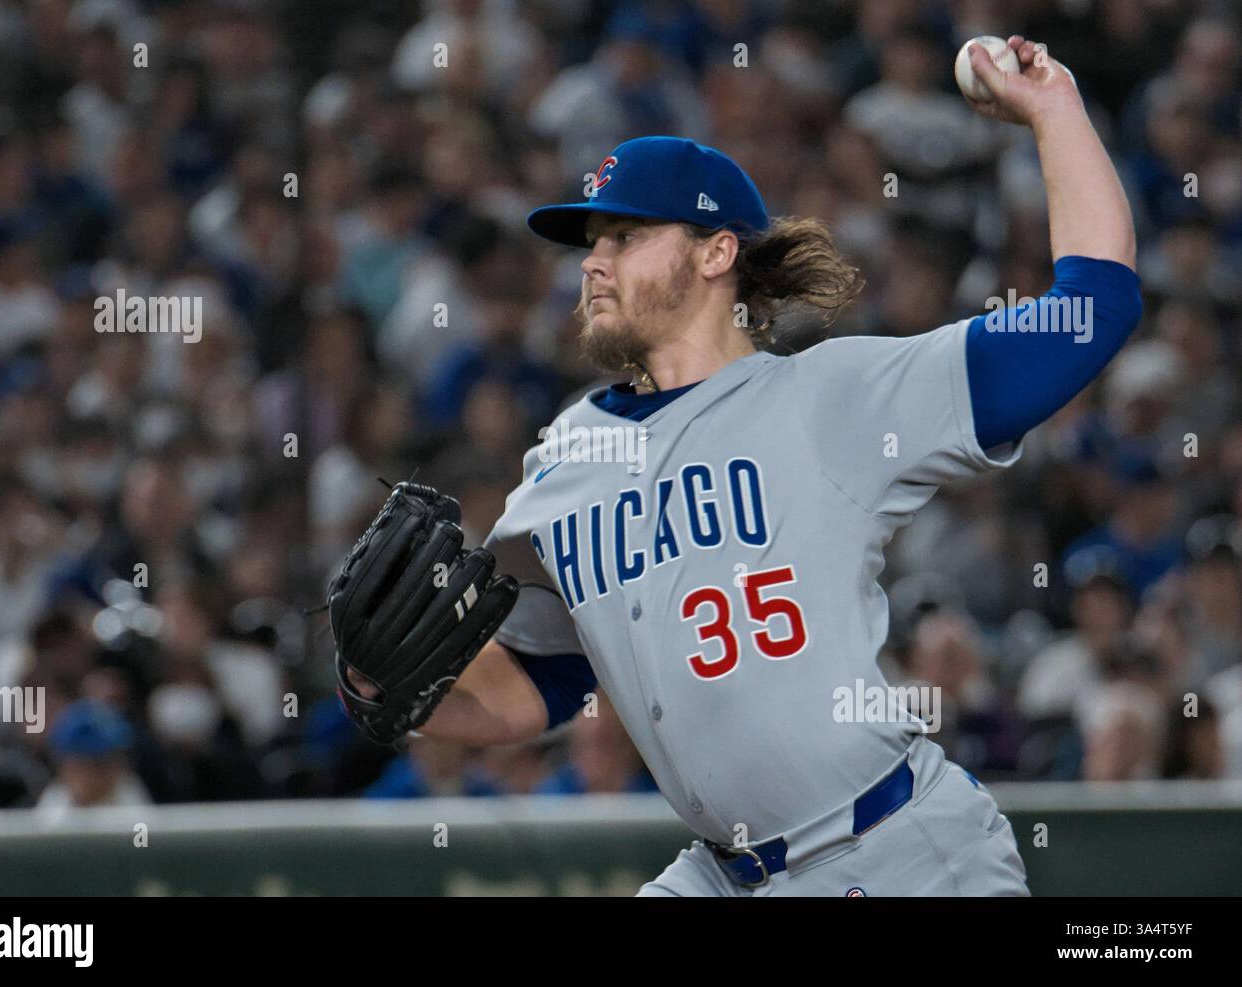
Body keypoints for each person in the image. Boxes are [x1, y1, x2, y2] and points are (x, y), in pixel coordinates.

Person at [346, 36, 1142, 895]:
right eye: (590, 241)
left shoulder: (830, 397)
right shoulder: (563, 461)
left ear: (716, 253)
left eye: (625, 234)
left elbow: (1087, 313)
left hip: (897, 849)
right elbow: (544, 677)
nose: (593, 262)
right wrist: (387, 690)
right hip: (723, 874)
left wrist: (1055, 109)